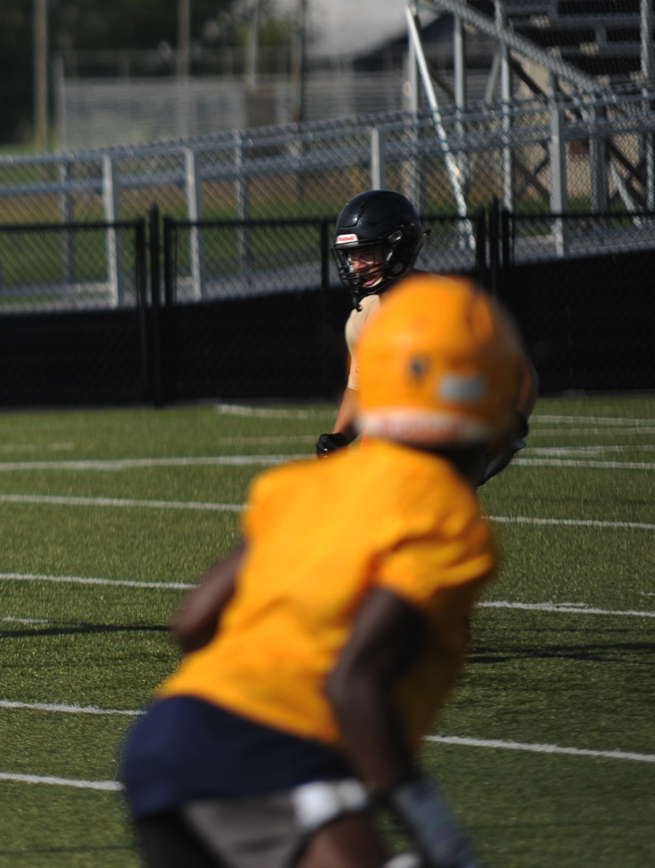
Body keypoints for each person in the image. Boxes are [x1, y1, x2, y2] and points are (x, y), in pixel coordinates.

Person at [119, 274, 532, 867]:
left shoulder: (303, 486)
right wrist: (435, 833)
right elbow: (351, 682)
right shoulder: (449, 518)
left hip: (166, 738)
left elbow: (192, 622)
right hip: (274, 753)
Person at [317, 189, 424, 456]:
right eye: (351, 255)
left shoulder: (449, 305)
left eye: (366, 252)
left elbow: (520, 376)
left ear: (398, 247)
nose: (356, 266)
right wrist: (339, 438)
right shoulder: (364, 316)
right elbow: (360, 389)